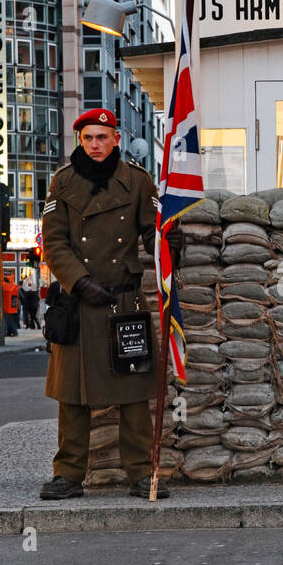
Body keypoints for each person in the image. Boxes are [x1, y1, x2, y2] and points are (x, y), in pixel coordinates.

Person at [40, 107, 183, 501]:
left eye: (102, 137)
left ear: (116, 139)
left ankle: (141, 472)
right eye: (88, 138)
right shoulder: (62, 183)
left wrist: (168, 243)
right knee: (73, 394)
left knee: (133, 389)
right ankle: (68, 473)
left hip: (122, 299)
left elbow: (150, 231)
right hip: (79, 302)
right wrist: (80, 281)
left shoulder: (137, 182)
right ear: (80, 141)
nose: (95, 145)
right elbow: (53, 241)